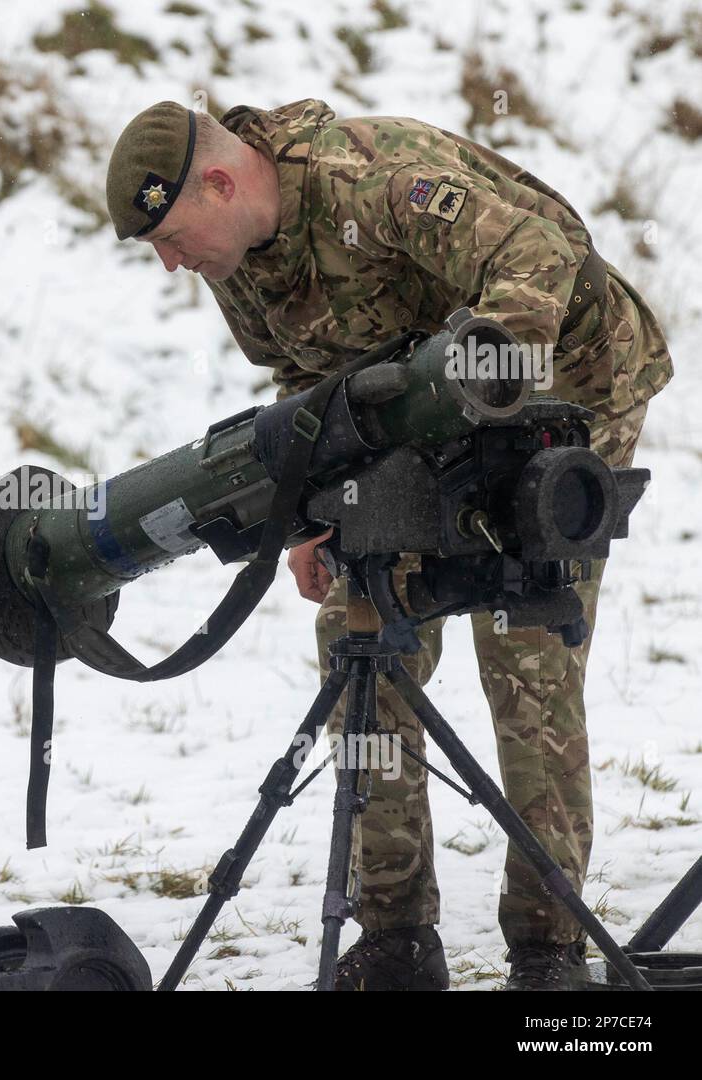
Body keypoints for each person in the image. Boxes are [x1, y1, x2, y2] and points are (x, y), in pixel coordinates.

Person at [105, 98, 672, 989]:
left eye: (173, 236)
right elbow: (308, 379)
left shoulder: (367, 180)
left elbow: (540, 256)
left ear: (219, 181)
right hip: (421, 417)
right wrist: (320, 507)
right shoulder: (236, 257)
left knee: (525, 647)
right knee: (359, 633)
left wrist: (486, 415)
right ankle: (398, 934)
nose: (175, 262)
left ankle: (547, 945)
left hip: (567, 374)